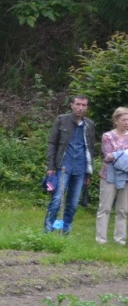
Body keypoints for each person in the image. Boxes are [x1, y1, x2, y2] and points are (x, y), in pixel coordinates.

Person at [44, 95, 96, 236]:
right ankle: (48, 231)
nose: (80, 108)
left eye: (83, 105)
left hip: (80, 169)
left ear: (87, 107)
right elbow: (52, 144)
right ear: (71, 105)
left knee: (72, 205)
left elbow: (90, 149)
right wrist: (50, 167)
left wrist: (89, 173)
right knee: (56, 200)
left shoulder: (89, 125)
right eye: (78, 104)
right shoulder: (61, 120)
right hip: (62, 167)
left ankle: (65, 232)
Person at [98, 106, 128, 246]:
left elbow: (115, 156)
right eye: (124, 119)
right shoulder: (107, 136)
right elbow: (108, 157)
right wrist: (122, 155)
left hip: (126, 177)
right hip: (108, 176)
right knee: (105, 208)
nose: (126, 122)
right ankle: (101, 239)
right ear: (116, 120)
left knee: (123, 209)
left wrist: (118, 155)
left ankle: (120, 239)